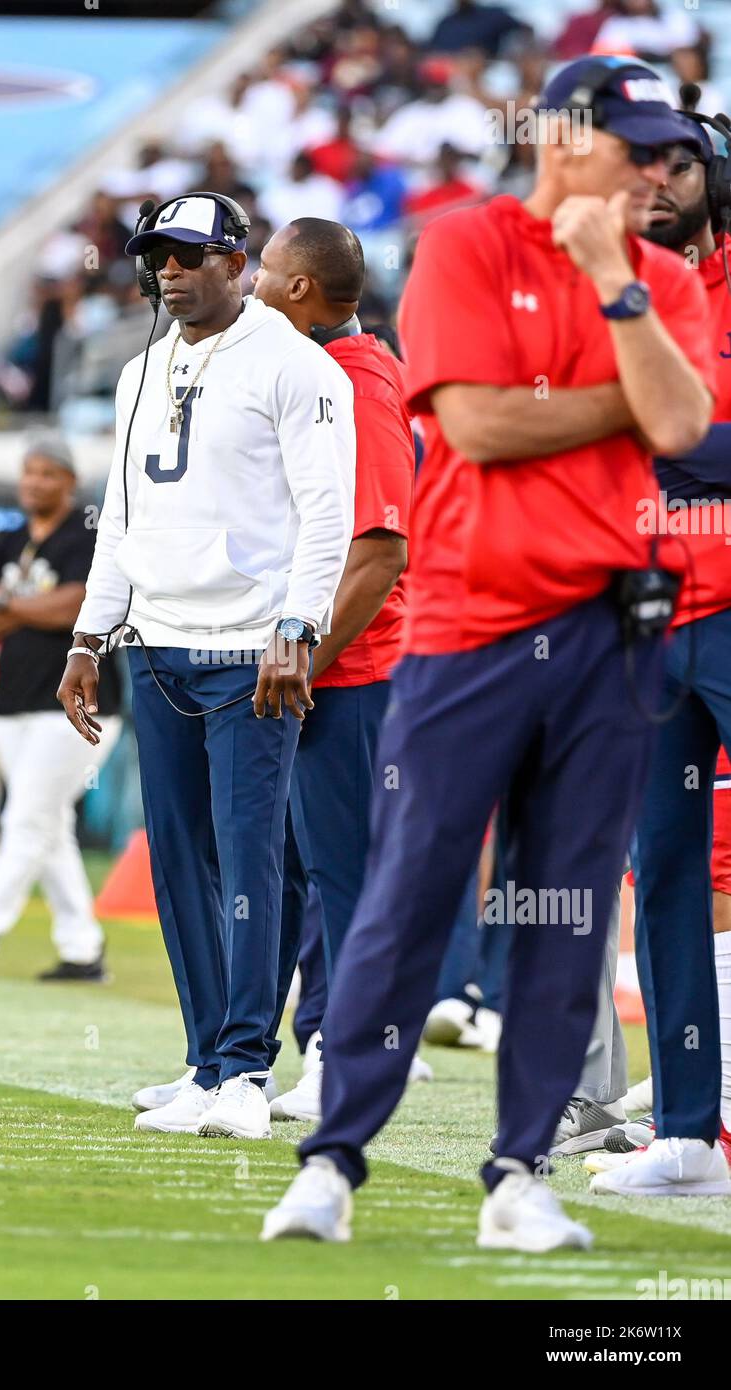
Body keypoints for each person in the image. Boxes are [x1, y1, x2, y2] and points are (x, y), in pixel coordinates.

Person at [262, 57, 715, 1250]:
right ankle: (334, 1157)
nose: (660, 168)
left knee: (566, 908)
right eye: (637, 143)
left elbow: (682, 423)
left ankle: (520, 1171)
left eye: (669, 150)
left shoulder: (661, 273)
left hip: (610, 630)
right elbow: (477, 422)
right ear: (563, 139)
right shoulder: (467, 243)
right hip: (470, 621)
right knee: (409, 894)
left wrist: (616, 283)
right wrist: (619, 391)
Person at [56, 192, 355, 1141]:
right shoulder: (140, 369)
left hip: (248, 653)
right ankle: (203, 1060)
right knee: (179, 860)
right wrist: (86, 636)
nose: (170, 272)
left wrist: (299, 627)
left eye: (190, 254)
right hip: (156, 646)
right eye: (158, 257)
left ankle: (244, 1070)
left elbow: (327, 516)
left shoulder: (298, 368)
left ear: (237, 261)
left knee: (250, 857)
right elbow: (122, 516)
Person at [592, 114, 731, 1196]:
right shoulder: (616, 293)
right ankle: (691, 1131)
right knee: (668, 871)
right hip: (648, 612)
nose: (658, 181)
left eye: (679, 162)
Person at [249, 216, 413, 1122]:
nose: (253, 284)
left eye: (267, 270)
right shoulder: (314, 373)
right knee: (281, 873)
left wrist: (304, 656)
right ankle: (241, 1059)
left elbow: (380, 549)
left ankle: (345, 1061)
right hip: (309, 665)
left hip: (351, 670)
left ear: (302, 290)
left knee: (345, 875)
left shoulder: (360, 384)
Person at [0, 435, 122, 982]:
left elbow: (80, 604)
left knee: (23, 819)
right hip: (13, 699)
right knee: (47, 824)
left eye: (47, 473)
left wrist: (13, 605)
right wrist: (23, 609)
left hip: (76, 705)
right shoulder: (10, 536)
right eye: (28, 472)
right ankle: (83, 950)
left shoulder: (86, 532)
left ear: (70, 482)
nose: (35, 483)